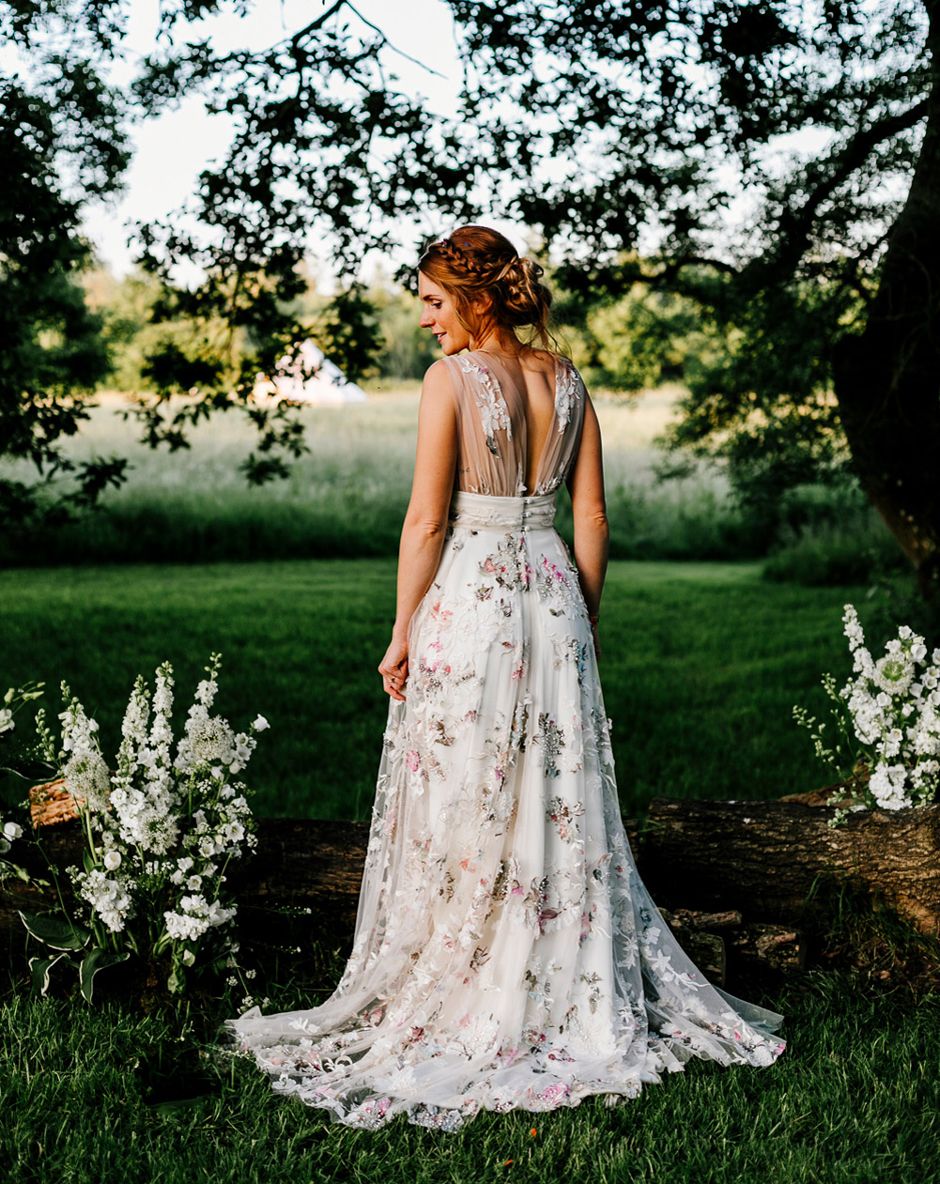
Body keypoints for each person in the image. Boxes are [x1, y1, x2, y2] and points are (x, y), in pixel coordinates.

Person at [221, 224, 786, 1131]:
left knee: (464, 787)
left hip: (475, 601)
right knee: (552, 793)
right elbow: (592, 514)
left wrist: (402, 629)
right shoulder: (569, 381)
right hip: (553, 596)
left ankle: (475, 973)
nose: (426, 322)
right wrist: (582, 617)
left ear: (477, 299)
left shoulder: (451, 383)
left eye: (436, 303)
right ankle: (552, 971)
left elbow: (424, 522)